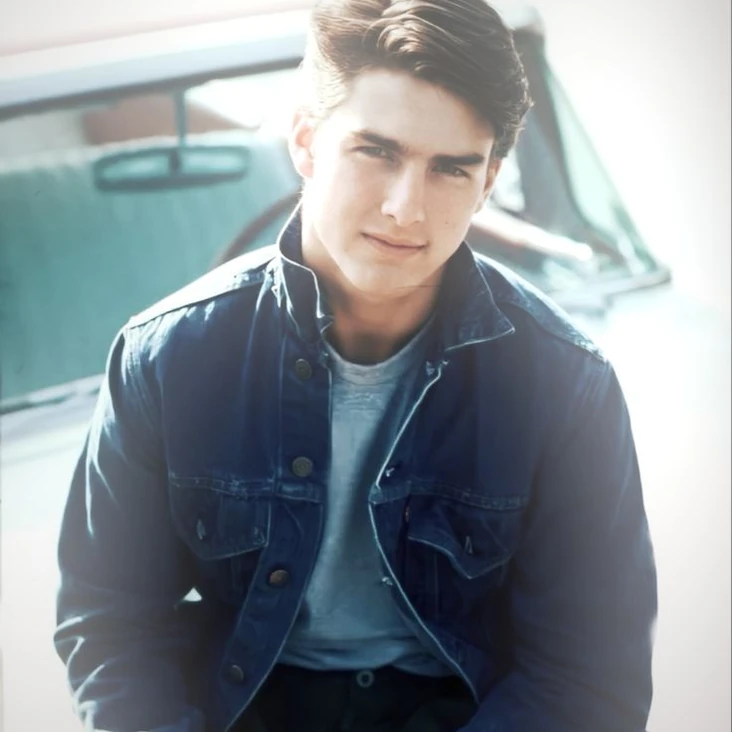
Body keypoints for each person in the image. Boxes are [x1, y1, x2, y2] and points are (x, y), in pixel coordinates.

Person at [54, 1, 658, 730]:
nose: (407, 208)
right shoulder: (165, 358)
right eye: (378, 152)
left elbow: (590, 673)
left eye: (450, 169)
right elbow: (110, 624)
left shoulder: (567, 382)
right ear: (306, 141)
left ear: (489, 181)